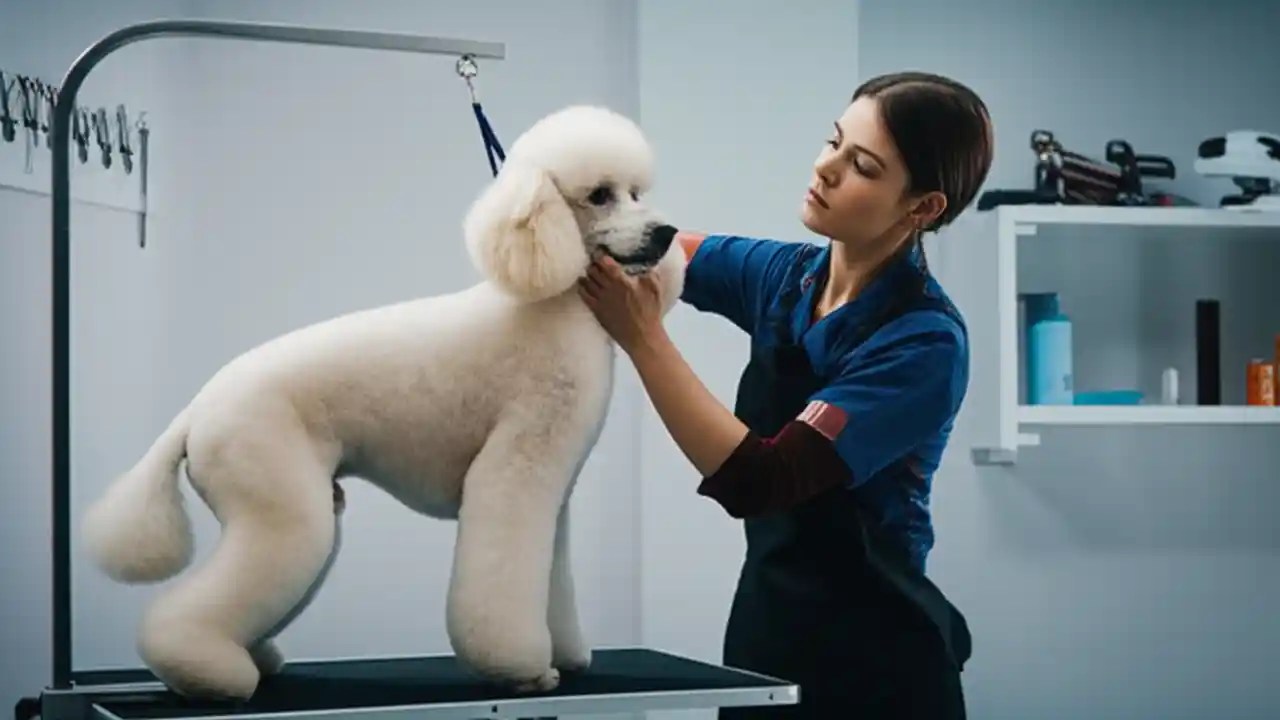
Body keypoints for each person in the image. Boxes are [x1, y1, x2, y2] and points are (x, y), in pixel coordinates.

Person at [577, 71, 994, 719]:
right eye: (834, 141)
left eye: (862, 165)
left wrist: (643, 339)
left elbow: (762, 480)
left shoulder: (923, 344)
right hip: (769, 632)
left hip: (879, 660)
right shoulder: (785, 276)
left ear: (923, 207)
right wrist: (571, 212)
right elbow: (658, 249)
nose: (825, 167)